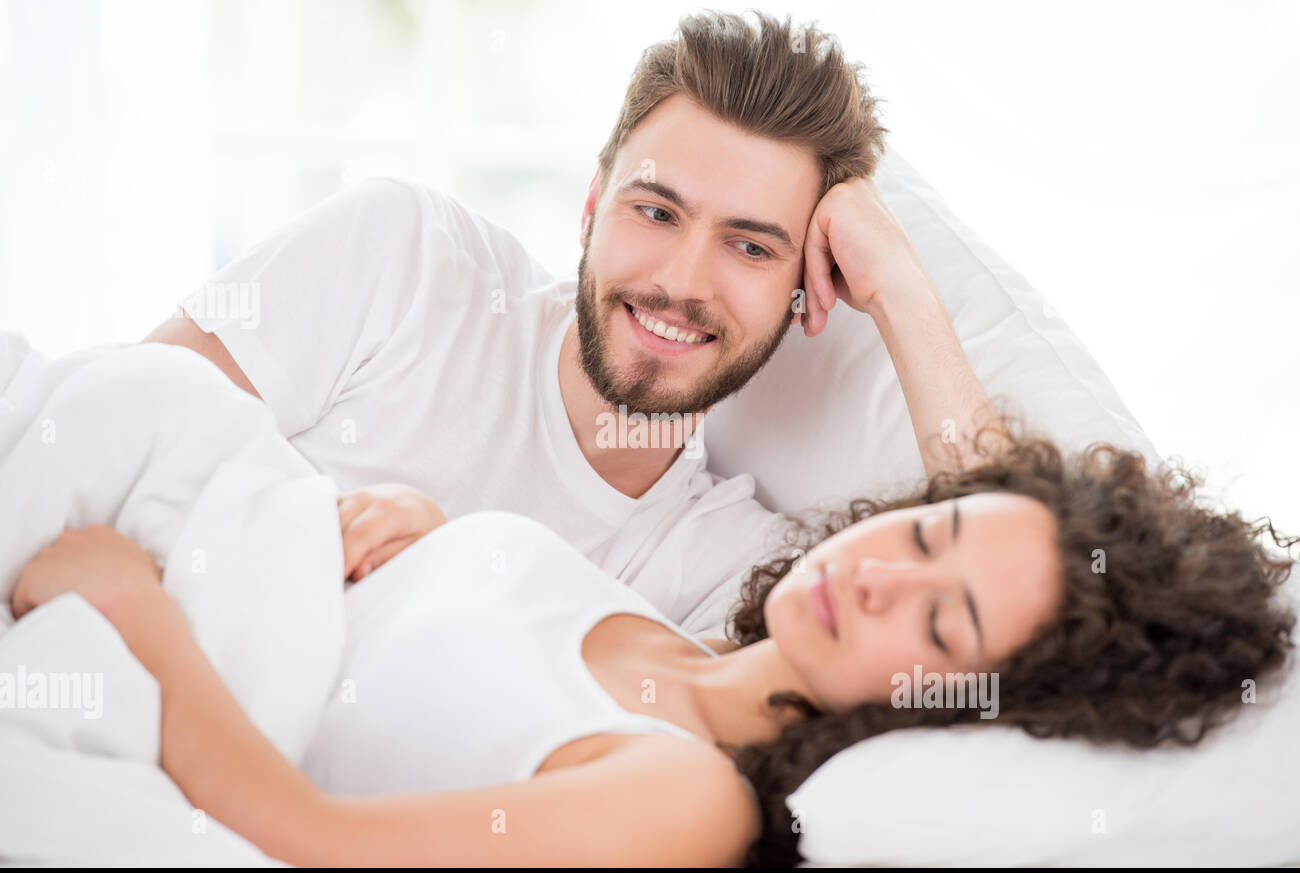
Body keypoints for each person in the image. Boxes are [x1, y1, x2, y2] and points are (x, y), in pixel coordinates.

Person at [13, 429, 1294, 867]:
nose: (882, 570)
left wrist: (135, 615)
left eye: (942, 618)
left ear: (951, 704)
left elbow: (312, 836)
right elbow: (455, 671)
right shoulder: (670, 630)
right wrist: (418, 529)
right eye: (933, 527)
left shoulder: (687, 799)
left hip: (135, 670)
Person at [141, 11, 993, 640]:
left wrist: (907, 293)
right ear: (592, 204)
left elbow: (1008, 586)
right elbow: (121, 429)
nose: (680, 281)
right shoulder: (405, 256)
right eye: (657, 211)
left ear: (808, 291)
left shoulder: (721, 568)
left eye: (749, 245)